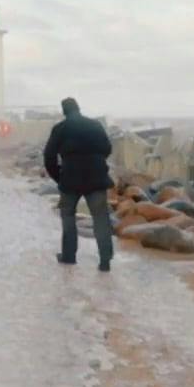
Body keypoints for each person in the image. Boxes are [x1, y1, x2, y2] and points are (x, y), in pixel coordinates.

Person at [43, 97, 114, 271]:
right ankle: (105, 261)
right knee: (100, 219)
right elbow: (107, 148)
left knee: (68, 216)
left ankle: (69, 256)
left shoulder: (60, 129)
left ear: (64, 111)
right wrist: (96, 162)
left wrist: (59, 177)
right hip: (96, 178)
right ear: (78, 108)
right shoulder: (95, 125)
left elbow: (49, 157)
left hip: (70, 179)